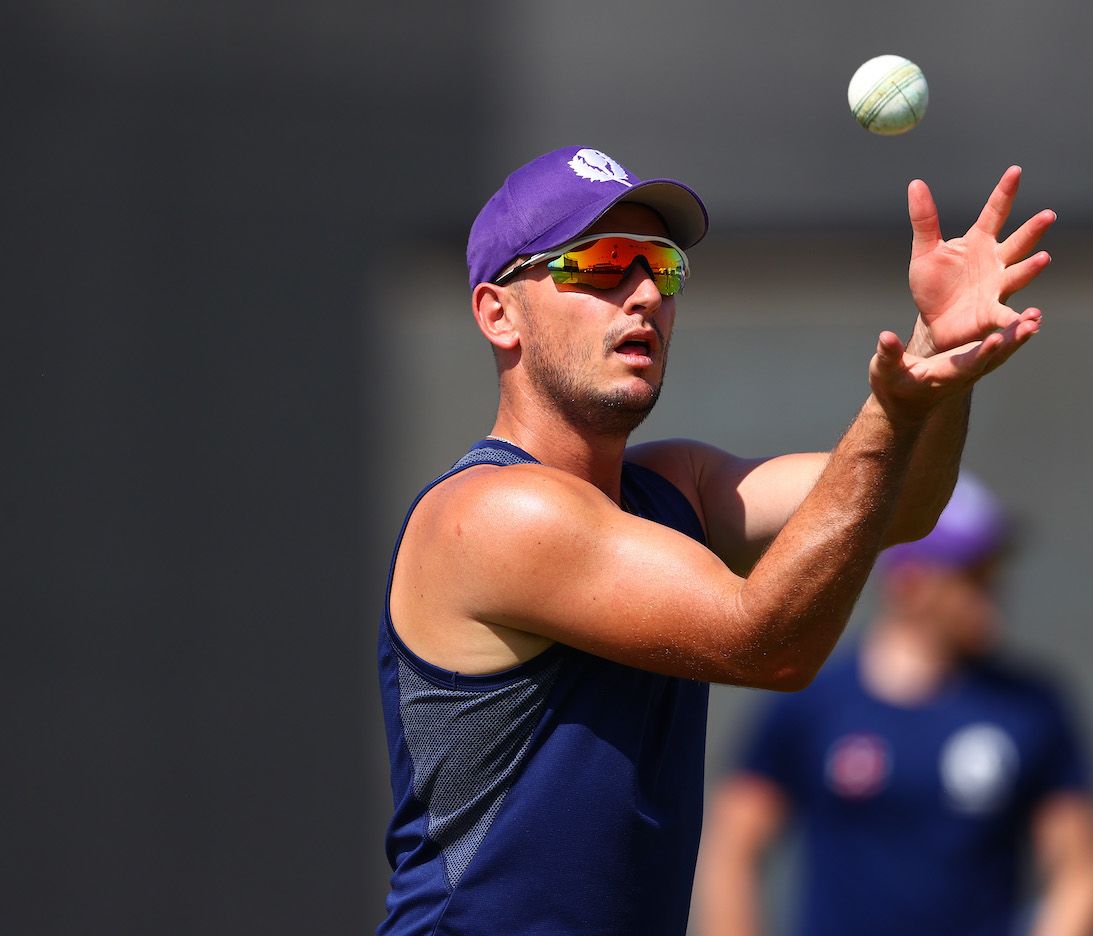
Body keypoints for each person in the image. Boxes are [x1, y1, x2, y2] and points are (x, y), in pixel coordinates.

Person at [376, 144, 1056, 935]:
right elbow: (771, 646)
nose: (640, 296)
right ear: (499, 314)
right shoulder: (494, 514)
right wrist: (894, 415)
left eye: (659, 268)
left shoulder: (677, 486)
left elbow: (901, 508)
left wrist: (943, 357)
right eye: (597, 264)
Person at [697, 474, 1093, 936]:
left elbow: (1081, 874)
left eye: (995, 573)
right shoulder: (813, 700)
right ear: (910, 584)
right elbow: (732, 849)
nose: (993, 595)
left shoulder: (1032, 706)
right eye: (973, 577)